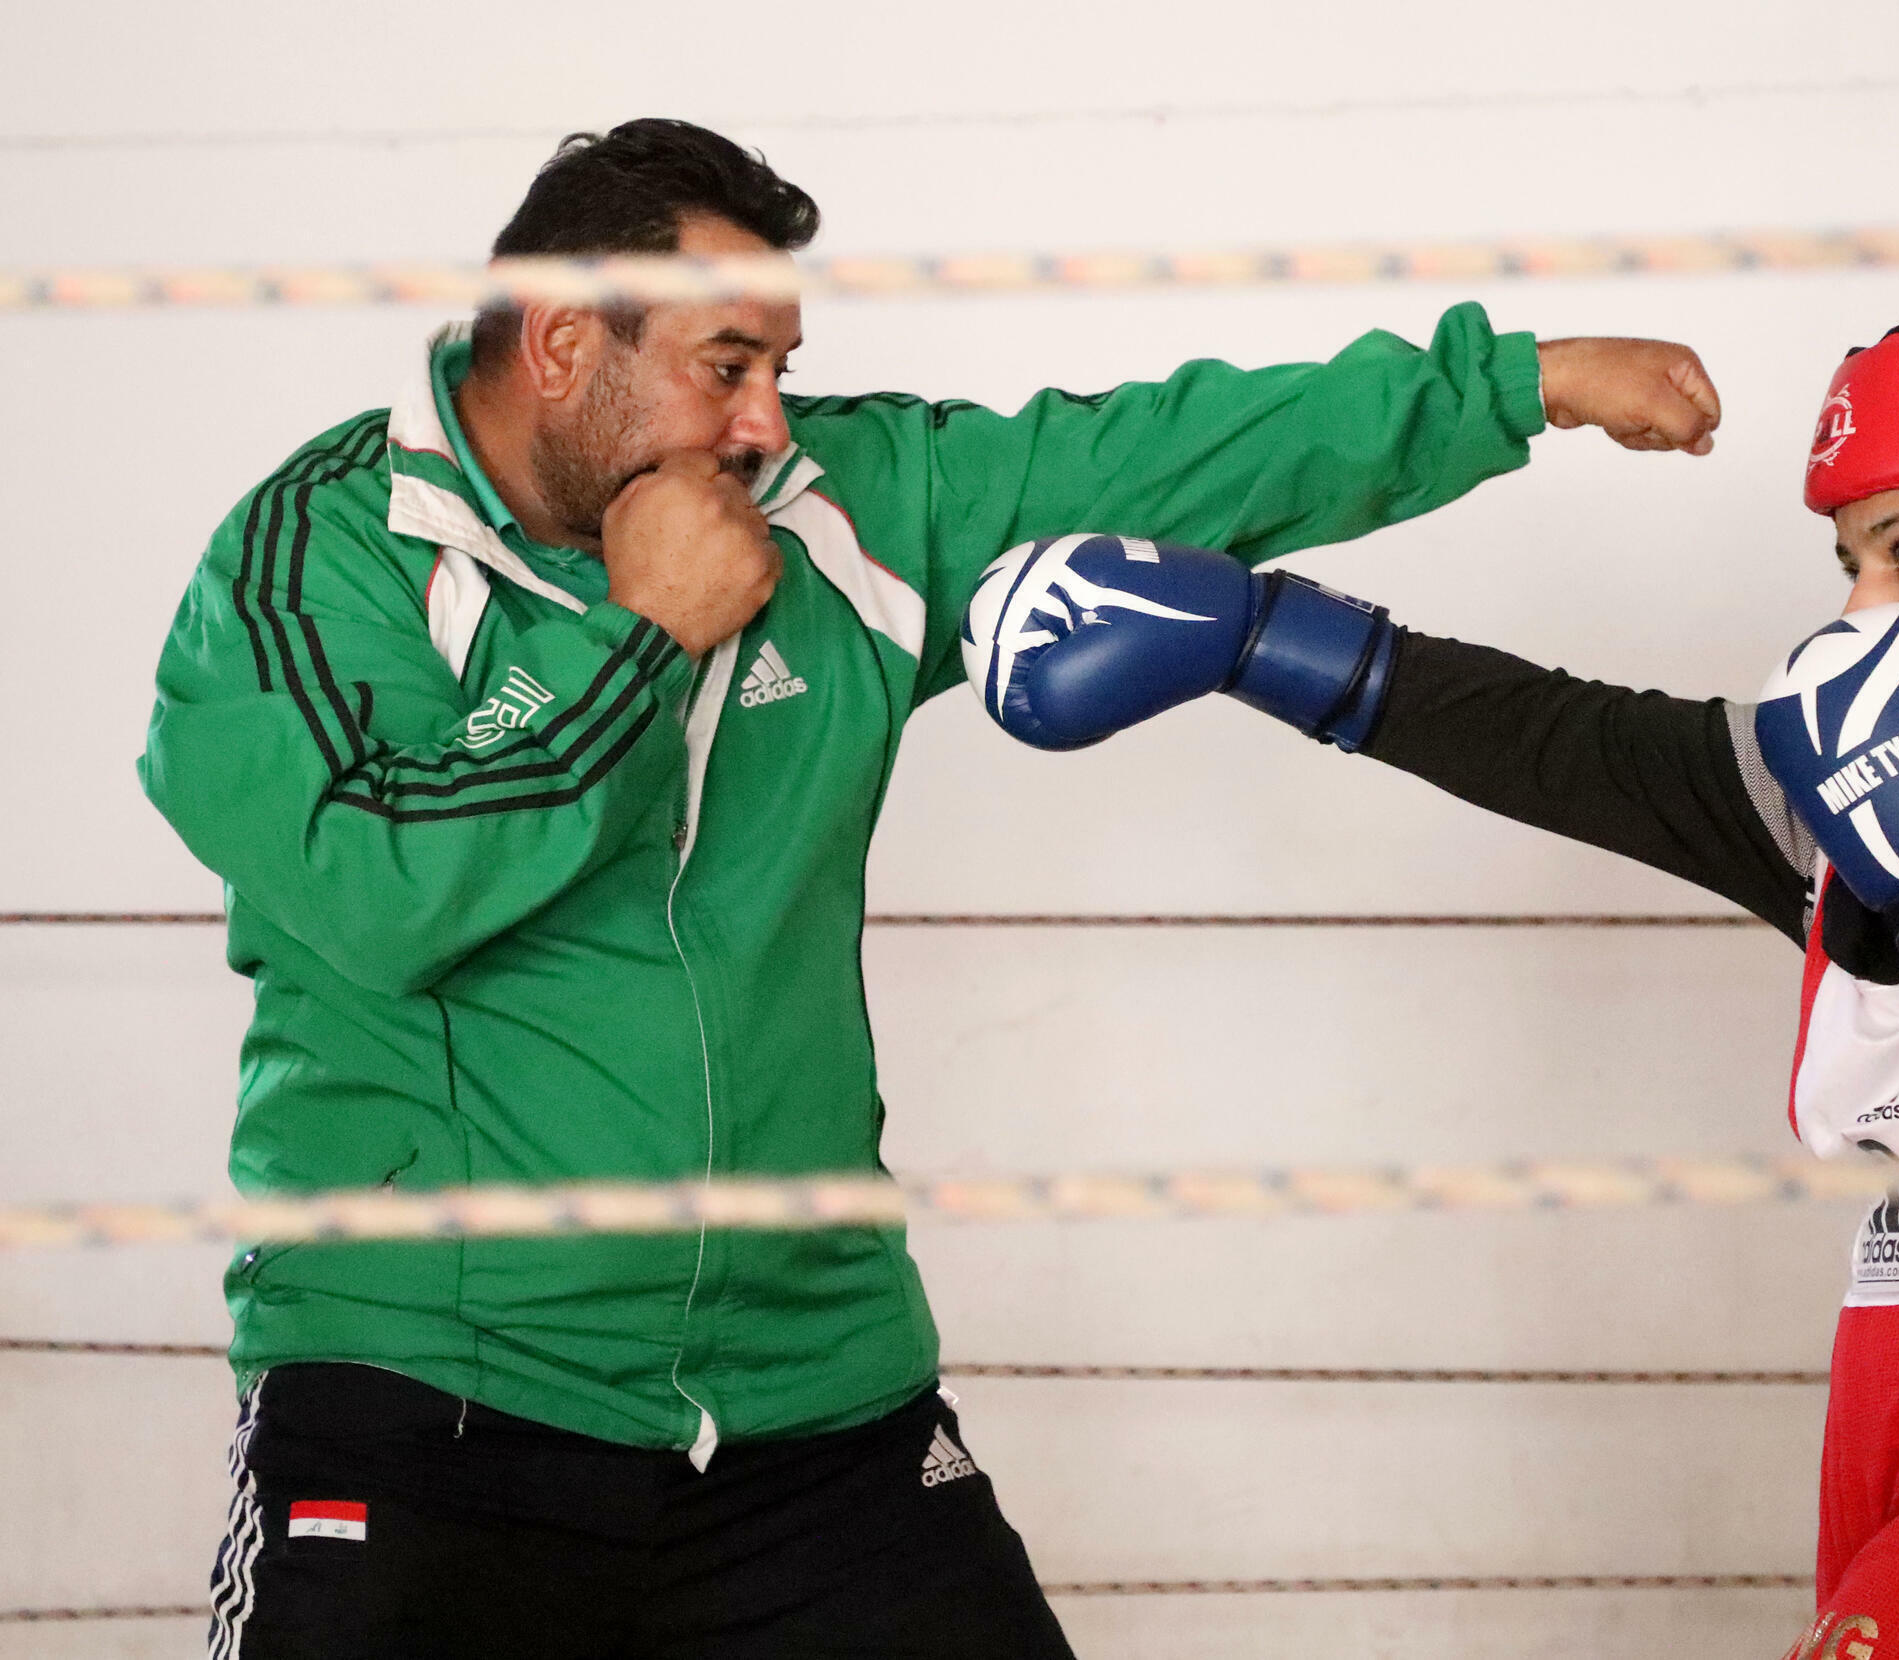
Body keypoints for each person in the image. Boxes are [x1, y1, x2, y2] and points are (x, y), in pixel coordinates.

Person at [138, 118, 1723, 1658]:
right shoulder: (314, 555)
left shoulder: (842, 509)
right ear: (562, 341)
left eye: (780, 369)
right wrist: (639, 636)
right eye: (724, 368)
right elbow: (387, 886)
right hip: (433, 1394)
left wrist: (1514, 386)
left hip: (813, 1401)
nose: (765, 423)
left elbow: (1165, 452)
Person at [968, 327, 1899, 1658]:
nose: (1865, 607)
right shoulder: (1843, 801)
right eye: (1852, 561)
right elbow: (1569, 744)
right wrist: (1250, 635)